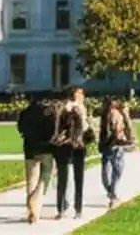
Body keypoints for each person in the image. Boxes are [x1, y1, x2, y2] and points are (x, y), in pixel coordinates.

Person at [52, 86, 93, 220]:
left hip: (64, 146)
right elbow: (86, 128)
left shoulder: (61, 108)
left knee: (62, 179)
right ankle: (78, 209)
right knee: (78, 178)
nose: (82, 96)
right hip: (78, 145)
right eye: (80, 93)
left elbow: (57, 129)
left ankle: (61, 208)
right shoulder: (80, 108)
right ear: (74, 95)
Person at [16, 94, 53, 224]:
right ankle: (36, 202)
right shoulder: (48, 113)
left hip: (30, 148)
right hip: (46, 149)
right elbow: (53, 129)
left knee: (31, 180)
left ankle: (31, 212)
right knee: (45, 177)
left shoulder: (25, 113)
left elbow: (20, 129)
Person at [98, 98, 137, 209]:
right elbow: (103, 132)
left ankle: (113, 195)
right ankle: (112, 193)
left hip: (118, 145)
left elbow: (128, 127)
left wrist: (130, 140)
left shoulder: (121, 114)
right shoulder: (104, 115)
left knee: (117, 170)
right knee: (106, 174)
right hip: (107, 147)